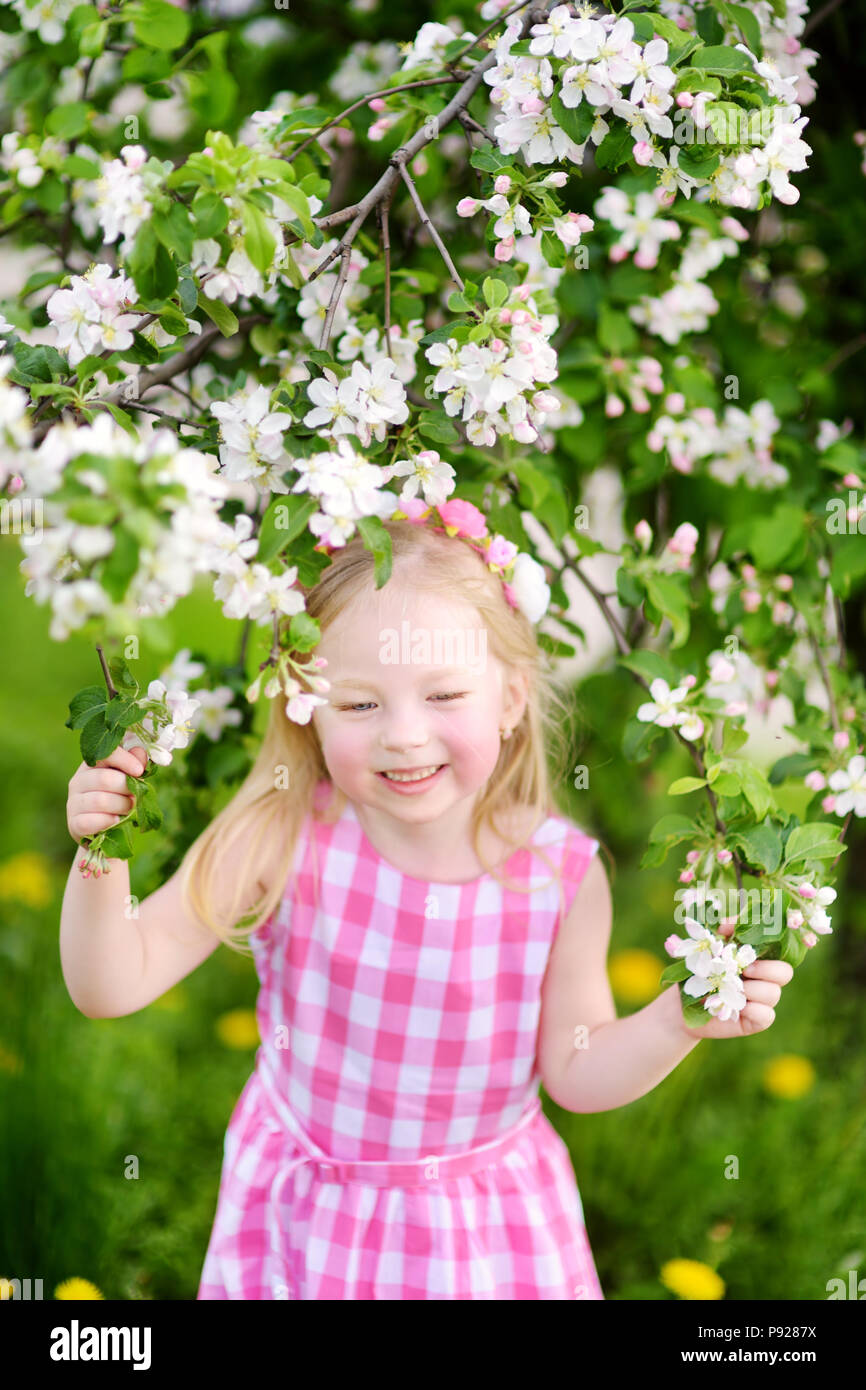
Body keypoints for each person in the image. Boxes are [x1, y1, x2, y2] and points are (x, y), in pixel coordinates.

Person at [61, 505, 794, 1300]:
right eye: (360, 703)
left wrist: (679, 1017)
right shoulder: (281, 831)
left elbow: (577, 1072)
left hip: (478, 1240)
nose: (403, 737)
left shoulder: (557, 876)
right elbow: (111, 985)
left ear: (512, 697)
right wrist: (103, 849)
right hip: (306, 1219)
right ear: (307, 703)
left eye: (443, 695)